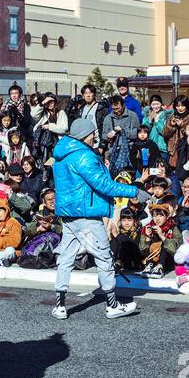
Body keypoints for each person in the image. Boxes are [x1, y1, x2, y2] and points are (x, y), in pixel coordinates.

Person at [50, 116, 141, 320]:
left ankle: (60, 306)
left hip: (69, 214)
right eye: (92, 133)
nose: (95, 137)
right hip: (87, 215)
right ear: (84, 135)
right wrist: (134, 190)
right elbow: (104, 186)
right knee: (104, 257)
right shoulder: (83, 156)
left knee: (66, 258)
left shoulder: (61, 155)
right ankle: (112, 305)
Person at [102, 94, 140, 174]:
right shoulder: (108, 118)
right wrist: (108, 136)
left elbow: (136, 134)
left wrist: (123, 131)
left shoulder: (132, 116)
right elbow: (103, 135)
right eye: (114, 109)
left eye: (118, 108)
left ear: (123, 105)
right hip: (112, 152)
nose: (116, 111)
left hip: (128, 152)